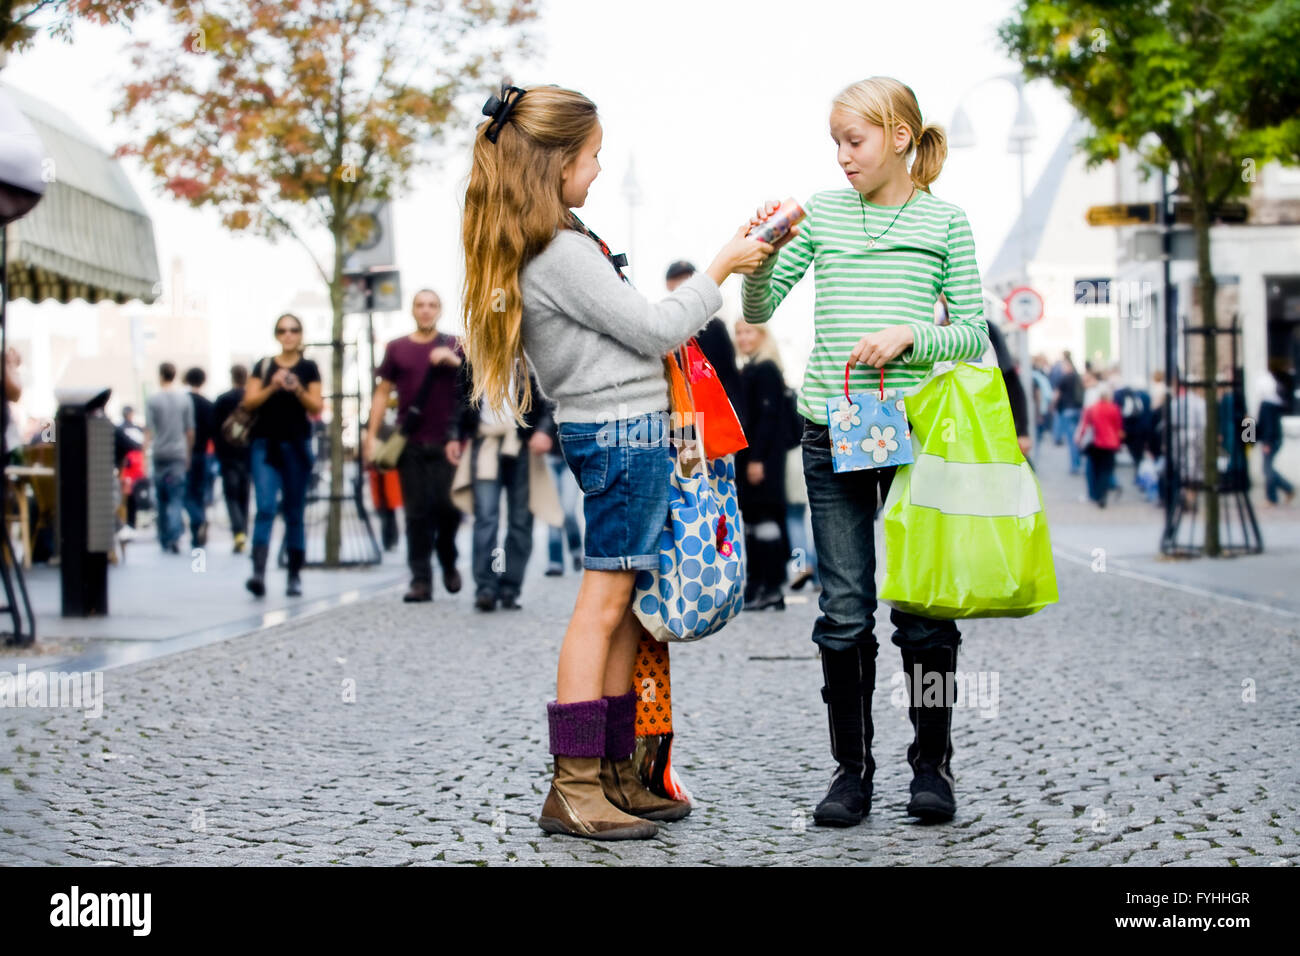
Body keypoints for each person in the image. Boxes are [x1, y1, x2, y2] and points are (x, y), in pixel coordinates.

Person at [461, 83, 772, 841]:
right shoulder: (561, 252)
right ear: (557, 162)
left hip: (624, 435)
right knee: (602, 611)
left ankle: (613, 775)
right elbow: (657, 328)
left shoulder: (549, 245)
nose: (598, 171)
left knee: (626, 615)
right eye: (593, 156)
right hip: (622, 436)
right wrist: (721, 265)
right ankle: (575, 787)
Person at [742, 76, 991, 828]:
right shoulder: (819, 213)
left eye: (856, 141)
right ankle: (851, 773)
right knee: (843, 611)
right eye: (836, 144)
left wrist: (914, 334)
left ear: (901, 138)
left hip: (918, 435)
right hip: (831, 426)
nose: (843, 157)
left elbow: (974, 332)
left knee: (924, 611)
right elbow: (758, 311)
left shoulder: (945, 222)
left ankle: (932, 767)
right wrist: (757, 260)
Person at [364, 289, 466, 603]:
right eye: (420, 305)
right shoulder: (397, 348)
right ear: (412, 310)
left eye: (432, 305)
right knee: (416, 513)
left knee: (449, 509)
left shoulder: (456, 345)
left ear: (439, 310)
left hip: (449, 441)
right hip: (410, 441)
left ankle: (448, 561)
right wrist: (370, 435)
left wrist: (455, 361)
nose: (425, 310)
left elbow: (475, 387)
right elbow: (383, 393)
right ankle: (421, 579)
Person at [449, 366, 555, 611]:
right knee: (487, 517)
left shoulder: (529, 349)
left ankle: (510, 587)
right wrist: (454, 435)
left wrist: (544, 430)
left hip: (523, 444)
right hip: (485, 443)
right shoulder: (476, 354)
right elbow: (461, 398)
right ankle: (486, 587)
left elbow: (549, 395)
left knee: (520, 520)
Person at [239, 314, 323, 597]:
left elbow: (316, 406)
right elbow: (249, 402)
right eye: (283, 330)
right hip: (265, 445)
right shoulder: (264, 365)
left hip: (297, 446)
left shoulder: (309, 367)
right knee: (264, 508)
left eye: (294, 330)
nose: (288, 335)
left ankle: (294, 575)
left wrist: (296, 387)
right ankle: (258, 573)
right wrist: (273, 385)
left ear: (301, 334)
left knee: (294, 513)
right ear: (276, 334)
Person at [734, 319, 790, 610]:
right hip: (755, 457)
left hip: (762, 459)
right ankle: (760, 586)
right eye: (739, 332)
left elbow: (768, 417)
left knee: (766, 524)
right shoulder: (753, 367)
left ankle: (770, 586)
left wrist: (757, 459)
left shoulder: (765, 368)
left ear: (762, 335)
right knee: (756, 524)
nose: (742, 338)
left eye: (748, 332)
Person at [144, 362, 194, 554]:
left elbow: (148, 430)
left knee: (161, 497)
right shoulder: (184, 400)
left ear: (160, 375)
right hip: (178, 454)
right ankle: (174, 535)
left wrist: (144, 453)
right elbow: (190, 431)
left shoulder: (153, 400)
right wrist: (188, 454)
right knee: (176, 497)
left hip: (159, 453)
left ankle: (164, 536)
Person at [213, 365, 253, 554]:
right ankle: (243, 532)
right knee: (244, 495)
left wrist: (219, 453)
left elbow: (215, 431)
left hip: (228, 456)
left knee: (231, 496)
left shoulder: (223, 400)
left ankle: (238, 532)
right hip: (247, 454)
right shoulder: (251, 398)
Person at [182, 367, 216, 549]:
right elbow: (213, 431)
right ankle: (198, 532)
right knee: (200, 493)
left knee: (187, 495)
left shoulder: (184, 402)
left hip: (186, 453)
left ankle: (198, 521)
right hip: (203, 453)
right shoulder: (208, 404)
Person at [1076, 384, 1124, 507]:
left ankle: (1097, 494)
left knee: (1096, 469)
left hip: (1095, 443)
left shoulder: (1092, 408)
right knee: (1106, 470)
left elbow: (1085, 426)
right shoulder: (1114, 408)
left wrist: (1080, 439)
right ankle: (1102, 494)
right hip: (1110, 443)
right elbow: (1118, 427)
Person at [1257, 370, 1295, 506]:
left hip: (1270, 440)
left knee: (1267, 469)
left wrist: (1266, 442)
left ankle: (1273, 497)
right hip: (1274, 439)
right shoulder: (1273, 403)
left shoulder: (1267, 404)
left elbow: (1267, 425)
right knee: (1268, 468)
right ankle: (1287, 489)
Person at [1055, 352, 1084, 471]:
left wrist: (1053, 405)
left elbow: (1057, 394)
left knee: (1072, 439)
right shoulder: (1077, 377)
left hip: (1067, 410)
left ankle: (1075, 465)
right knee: (1077, 437)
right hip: (1078, 409)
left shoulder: (1065, 378)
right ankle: (1078, 461)